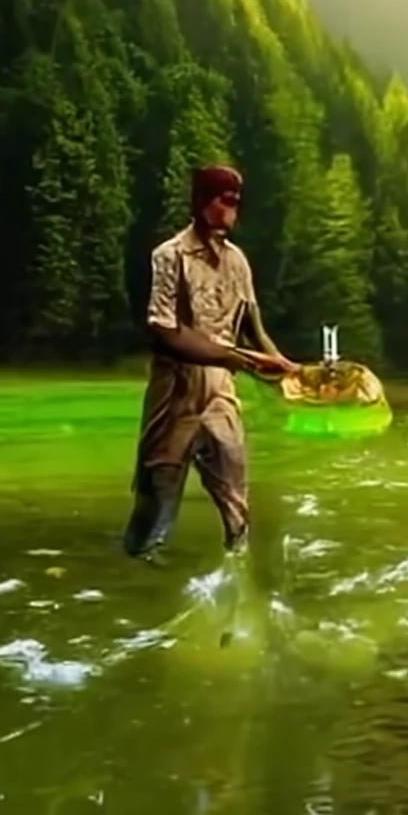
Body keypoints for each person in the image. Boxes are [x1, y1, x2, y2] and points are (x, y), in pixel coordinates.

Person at [123, 165, 297, 559]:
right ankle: (137, 571)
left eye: (237, 200)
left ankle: (234, 577)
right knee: (156, 500)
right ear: (203, 202)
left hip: (222, 390)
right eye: (226, 199)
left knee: (236, 499)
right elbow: (166, 331)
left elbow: (255, 331)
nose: (235, 207)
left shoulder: (237, 262)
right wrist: (240, 359)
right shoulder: (170, 256)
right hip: (175, 392)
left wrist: (287, 371)